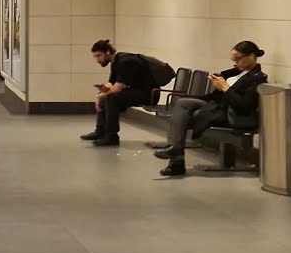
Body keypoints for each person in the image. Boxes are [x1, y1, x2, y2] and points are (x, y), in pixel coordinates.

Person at [154, 41, 268, 176]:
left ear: (252, 56)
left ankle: (176, 160)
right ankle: (175, 151)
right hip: (217, 106)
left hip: (231, 114)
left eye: (239, 58)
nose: (236, 62)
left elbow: (243, 106)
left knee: (182, 115)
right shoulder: (235, 73)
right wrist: (215, 87)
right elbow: (215, 96)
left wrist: (225, 88)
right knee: (183, 104)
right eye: (234, 59)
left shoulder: (258, 78)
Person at [80, 40, 159, 147]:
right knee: (106, 97)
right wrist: (101, 92)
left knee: (112, 98)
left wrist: (101, 96)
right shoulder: (115, 62)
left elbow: (117, 88)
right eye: (95, 57)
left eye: (99, 56)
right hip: (136, 91)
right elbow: (111, 84)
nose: (97, 60)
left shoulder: (125, 62)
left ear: (108, 52)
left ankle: (112, 136)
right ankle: (100, 131)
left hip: (149, 94)